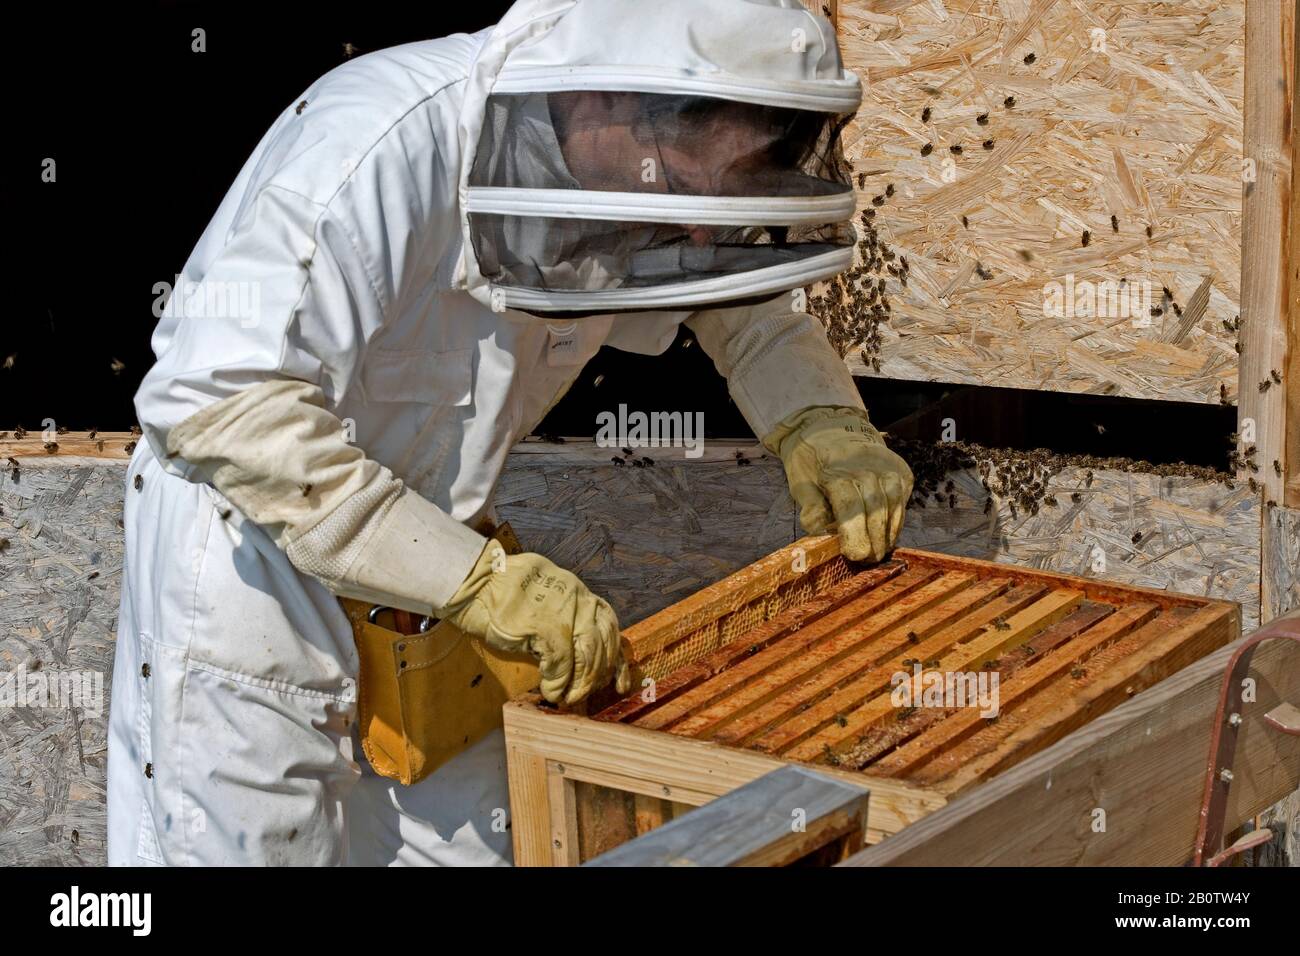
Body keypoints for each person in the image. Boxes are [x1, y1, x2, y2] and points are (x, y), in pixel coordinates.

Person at [107, 0, 913, 866]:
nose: (691, 228)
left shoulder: (627, 178)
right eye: (679, 188)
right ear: (604, 99)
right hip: (255, 578)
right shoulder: (376, 141)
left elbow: (737, 299)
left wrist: (819, 417)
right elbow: (214, 404)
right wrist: (475, 582)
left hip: (435, 578)